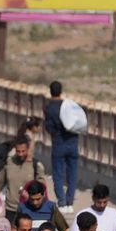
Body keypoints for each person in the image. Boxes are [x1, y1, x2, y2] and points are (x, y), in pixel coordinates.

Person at [41, 82, 81, 210]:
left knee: (58, 174)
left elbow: (49, 127)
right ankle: (70, 202)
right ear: (61, 91)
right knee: (72, 173)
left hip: (58, 144)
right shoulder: (68, 105)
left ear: (50, 91)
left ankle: (62, 202)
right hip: (73, 143)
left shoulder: (49, 108)